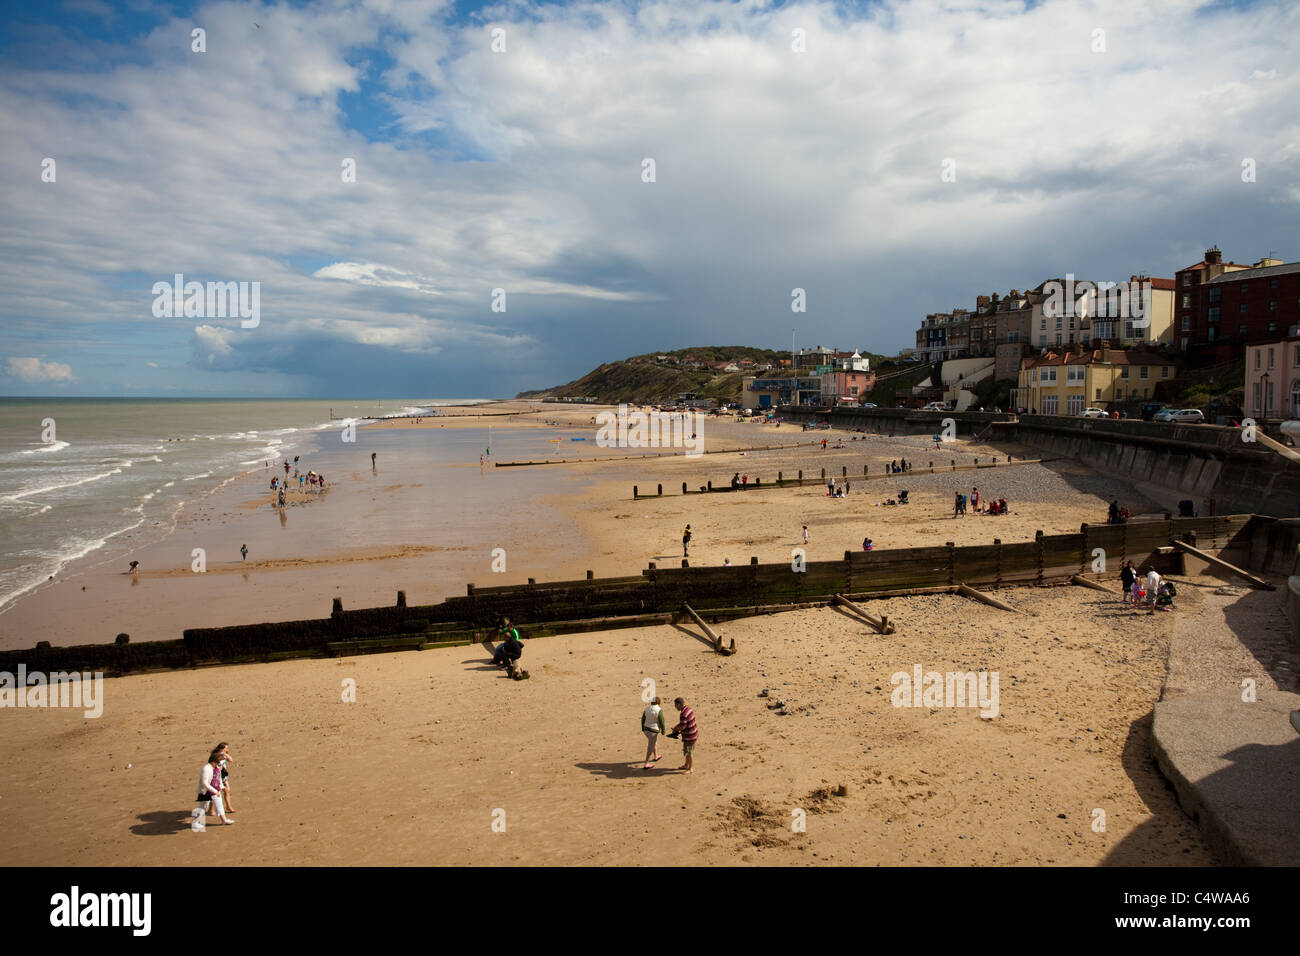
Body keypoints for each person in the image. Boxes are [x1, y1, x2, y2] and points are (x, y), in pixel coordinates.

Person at [197, 752, 234, 825]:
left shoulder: (216, 768)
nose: (218, 764)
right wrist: (214, 791)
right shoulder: (206, 769)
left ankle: (224, 820)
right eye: (217, 762)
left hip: (216, 790)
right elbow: (204, 783)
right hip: (206, 791)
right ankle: (197, 821)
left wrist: (221, 787)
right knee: (203, 807)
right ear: (213, 761)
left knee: (219, 805)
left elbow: (218, 778)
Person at [671, 698, 699, 774]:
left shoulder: (683, 714)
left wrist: (675, 729)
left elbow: (683, 726)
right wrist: (676, 727)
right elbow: (684, 723)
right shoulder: (688, 709)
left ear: (679, 704)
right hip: (693, 733)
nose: (675, 707)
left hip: (690, 736)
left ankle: (690, 768)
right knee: (687, 751)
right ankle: (686, 765)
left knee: (689, 753)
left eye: (675, 705)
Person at [642, 697, 666, 769]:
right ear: (659, 703)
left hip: (646, 729)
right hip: (653, 730)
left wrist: (643, 728)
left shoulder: (646, 709)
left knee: (653, 742)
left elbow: (643, 719)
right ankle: (646, 764)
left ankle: (656, 756)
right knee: (650, 746)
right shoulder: (659, 710)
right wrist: (663, 731)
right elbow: (662, 721)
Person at [212, 742, 235, 813]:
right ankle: (211, 809)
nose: (227, 749)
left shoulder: (223, 755)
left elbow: (231, 760)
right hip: (217, 775)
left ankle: (228, 807)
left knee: (226, 791)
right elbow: (214, 765)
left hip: (223, 775)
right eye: (226, 748)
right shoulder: (216, 756)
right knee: (215, 792)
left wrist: (226, 754)